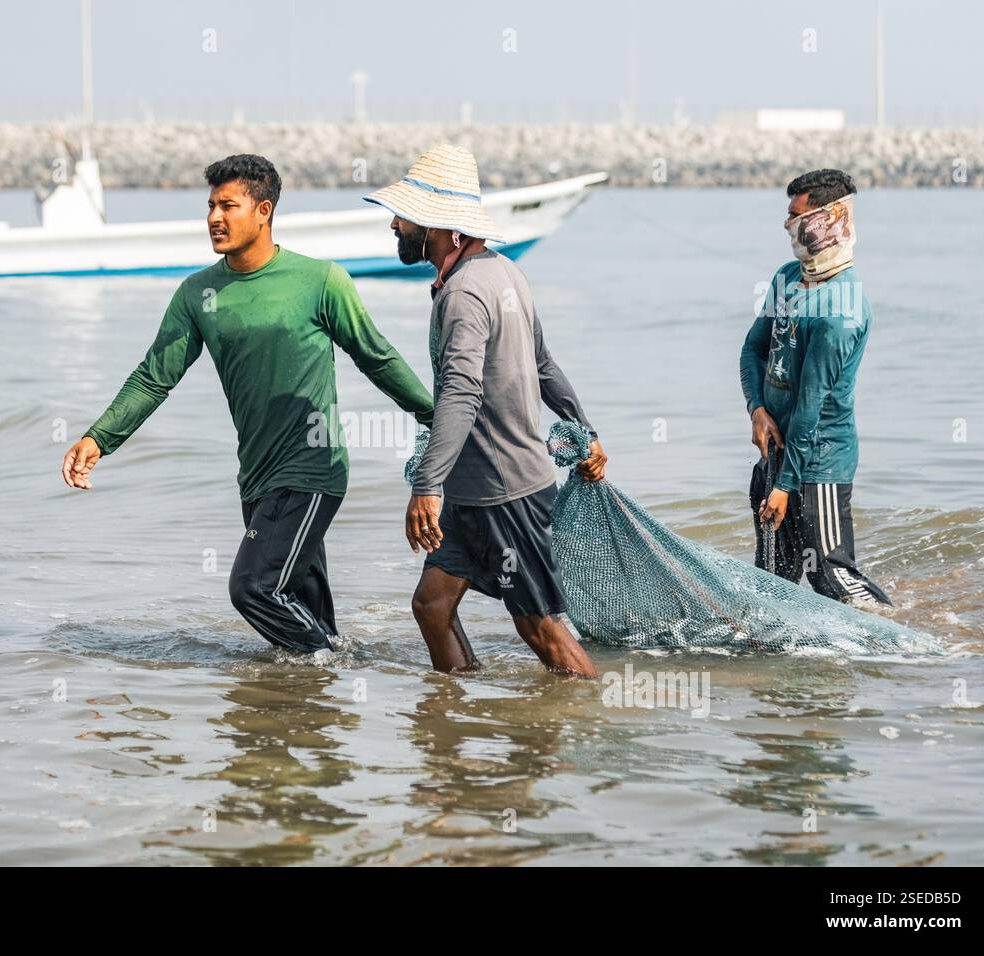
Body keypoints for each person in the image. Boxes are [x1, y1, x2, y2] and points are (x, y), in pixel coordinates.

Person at [62, 154, 435, 653]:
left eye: (228, 206)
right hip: (255, 476)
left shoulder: (320, 281)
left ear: (264, 210)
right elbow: (154, 377)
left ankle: (338, 671)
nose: (215, 217)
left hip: (312, 470)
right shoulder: (198, 294)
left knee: (253, 588)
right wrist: (99, 437)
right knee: (301, 608)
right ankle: (314, 712)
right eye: (211, 206)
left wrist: (441, 419)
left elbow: (378, 358)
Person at [364, 144, 605, 676]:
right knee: (431, 606)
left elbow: (461, 391)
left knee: (539, 625)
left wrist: (426, 484)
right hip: (473, 493)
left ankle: (583, 726)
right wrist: (585, 431)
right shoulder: (505, 273)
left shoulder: (465, 294)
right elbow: (544, 365)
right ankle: (454, 724)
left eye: (405, 218)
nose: (395, 226)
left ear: (443, 228)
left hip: (503, 491)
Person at [741, 168, 891, 605]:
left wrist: (786, 487)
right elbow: (752, 350)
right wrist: (757, 410)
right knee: (773, 582)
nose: (788, 226)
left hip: (819, 464)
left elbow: (810, 408)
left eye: (796, 216)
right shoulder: (787, 278)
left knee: (834, 580)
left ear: (828, 220)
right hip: (776, 452)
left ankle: (902, 646)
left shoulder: (841, 309)